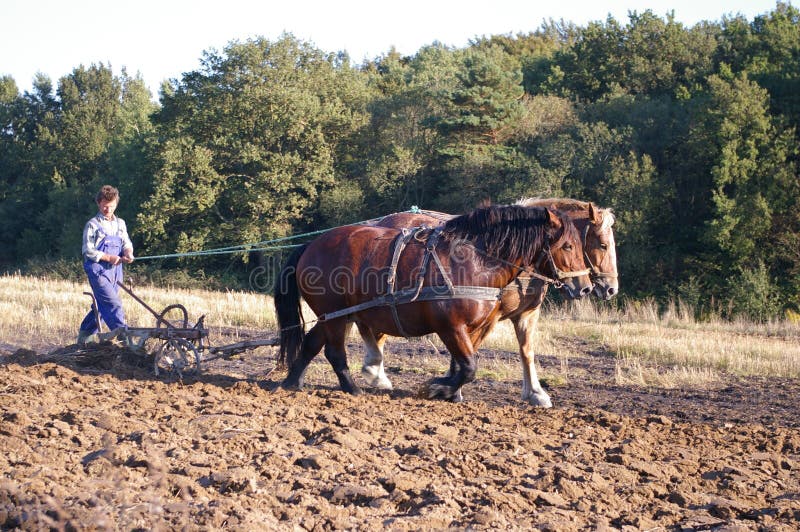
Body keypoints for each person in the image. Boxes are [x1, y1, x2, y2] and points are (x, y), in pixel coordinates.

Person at [76, 185, 135, 344]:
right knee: (112, 303)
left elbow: (126, 243)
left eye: (112, 206)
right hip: (97, 270)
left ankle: (85, 336)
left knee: (103, 306)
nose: (108, 209)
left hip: (115, 271)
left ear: (116, 204)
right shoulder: (92, 225)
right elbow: (87, 251)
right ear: (98, 203)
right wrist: (108, 257)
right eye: (105, 206)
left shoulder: (120, 223)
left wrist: (128, 253)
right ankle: (126, 340)